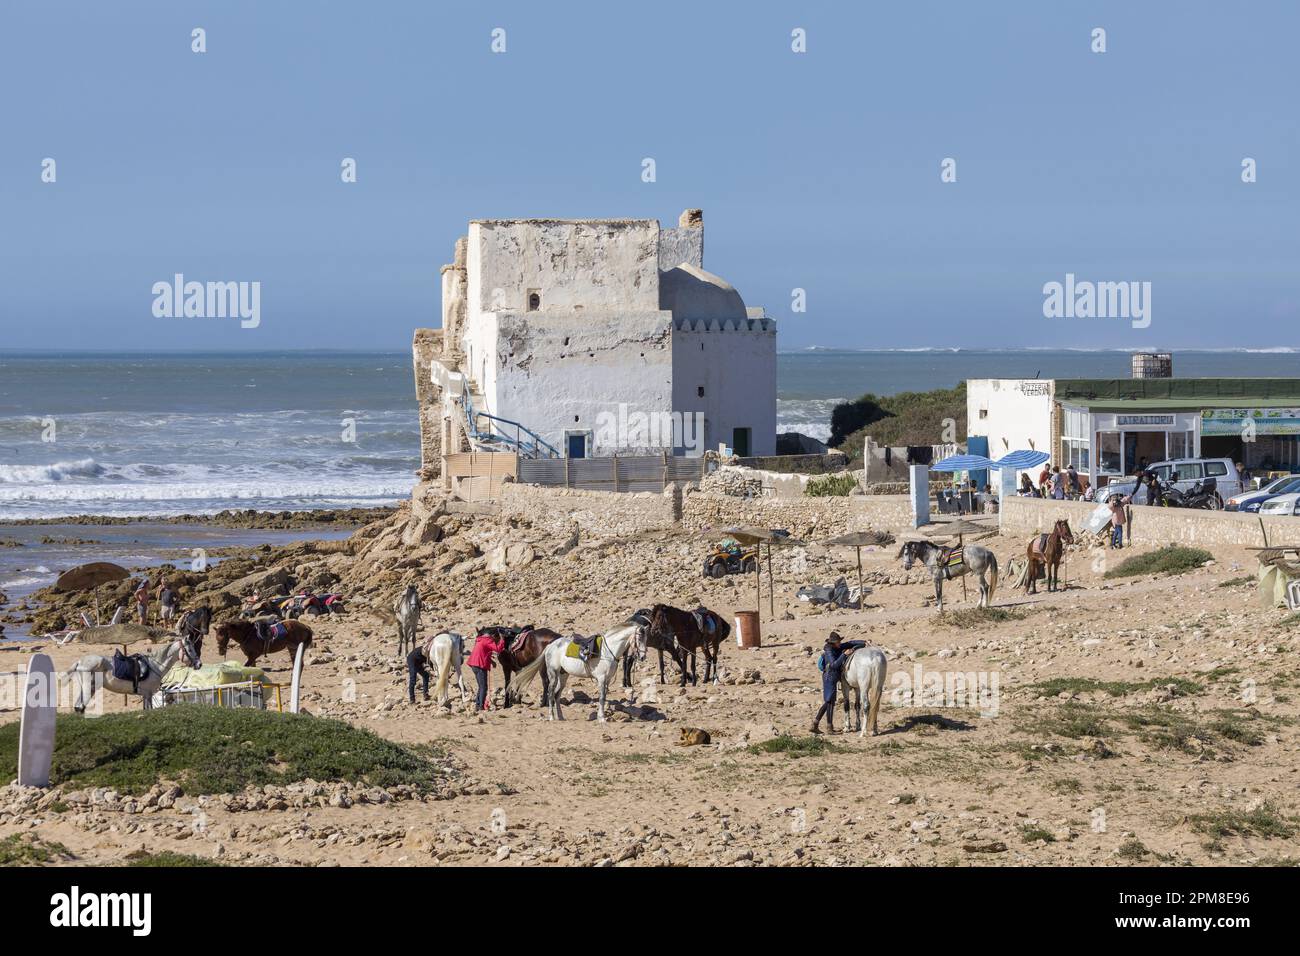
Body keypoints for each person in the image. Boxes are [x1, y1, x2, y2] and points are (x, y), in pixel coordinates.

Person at [811, 631, 867, 735]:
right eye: (838, 642)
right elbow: (834, 665)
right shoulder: (829, 650)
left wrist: (863, 642)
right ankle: (829, 728)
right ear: (833, 643)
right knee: (830, 702)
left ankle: (815, 724)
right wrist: (844, 655)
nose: (840, 644)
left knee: (829, 702)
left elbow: (850, 643)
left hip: (833, 677)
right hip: (829, 677)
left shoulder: (837, 647)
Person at [468, 629, 506, 712]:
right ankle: (481, 706)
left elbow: (483, 651)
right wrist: (502, 639)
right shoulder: (488, 640)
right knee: (483, 687)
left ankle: (478, 704)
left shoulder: (480, 639)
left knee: (481, 686)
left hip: (474, 664)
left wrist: (491, 661)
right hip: (480, 665)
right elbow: (497, 649)